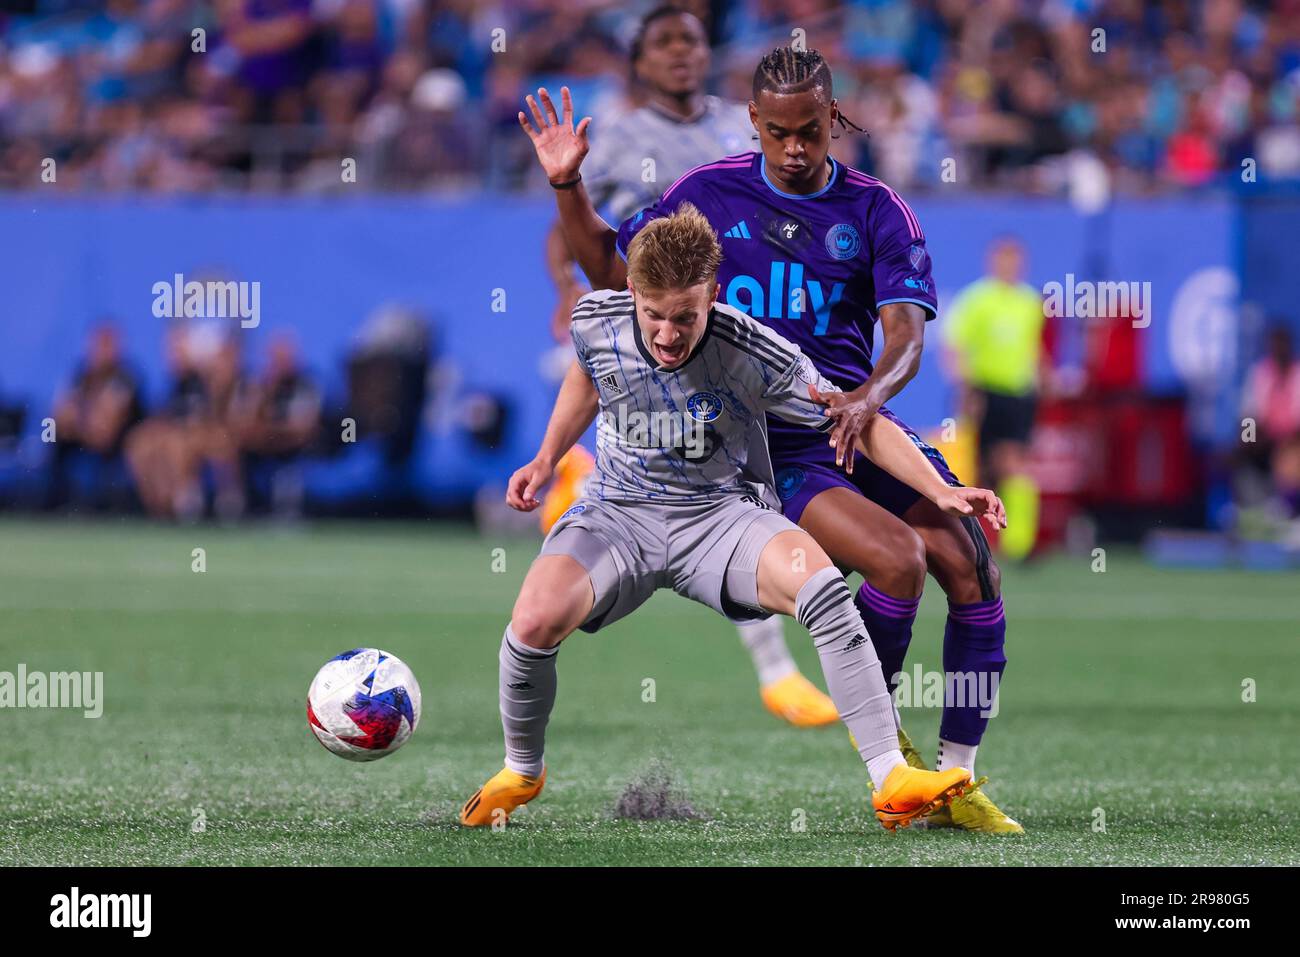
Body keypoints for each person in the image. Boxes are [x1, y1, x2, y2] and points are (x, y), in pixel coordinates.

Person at [518, 48, 1022, 832]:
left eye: (811, 132)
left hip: (857, 416)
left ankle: (955, 774)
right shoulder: (706, 196)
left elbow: (907, 335)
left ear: (835, 120)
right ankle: (890, 758)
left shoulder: (877, 210)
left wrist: (870, 396)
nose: (795, 148)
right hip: (772, 444)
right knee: (899, 558)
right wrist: (566, 185)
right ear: (753, 122)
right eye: (780, 132)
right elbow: (617, 279)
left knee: (972, 561)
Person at [540, 6, 837, 729]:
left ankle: (777, 659)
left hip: (716, 329)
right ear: (639, 60)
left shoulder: (738, 132)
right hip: (632, 322)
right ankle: (772, 664)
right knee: (687, 482)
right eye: (665, 43)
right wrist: (566, 291)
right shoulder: (609, 132)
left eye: (692, 42)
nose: (680, 54)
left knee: (725, 483)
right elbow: (568, 226)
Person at [943, 236, 1047, 560]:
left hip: (1017, 394)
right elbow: (955, 347)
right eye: (1004, 259)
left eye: (1015, 259)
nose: (1009, 266)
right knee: (977, 468)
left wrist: (1046, 377)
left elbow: (1033, 349)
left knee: (1014, 464)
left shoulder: (1030, 302)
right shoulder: (977, 300)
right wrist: (966, 387)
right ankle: (964, 540)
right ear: (992, 262)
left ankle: (1019, 544)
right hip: (985, 391)